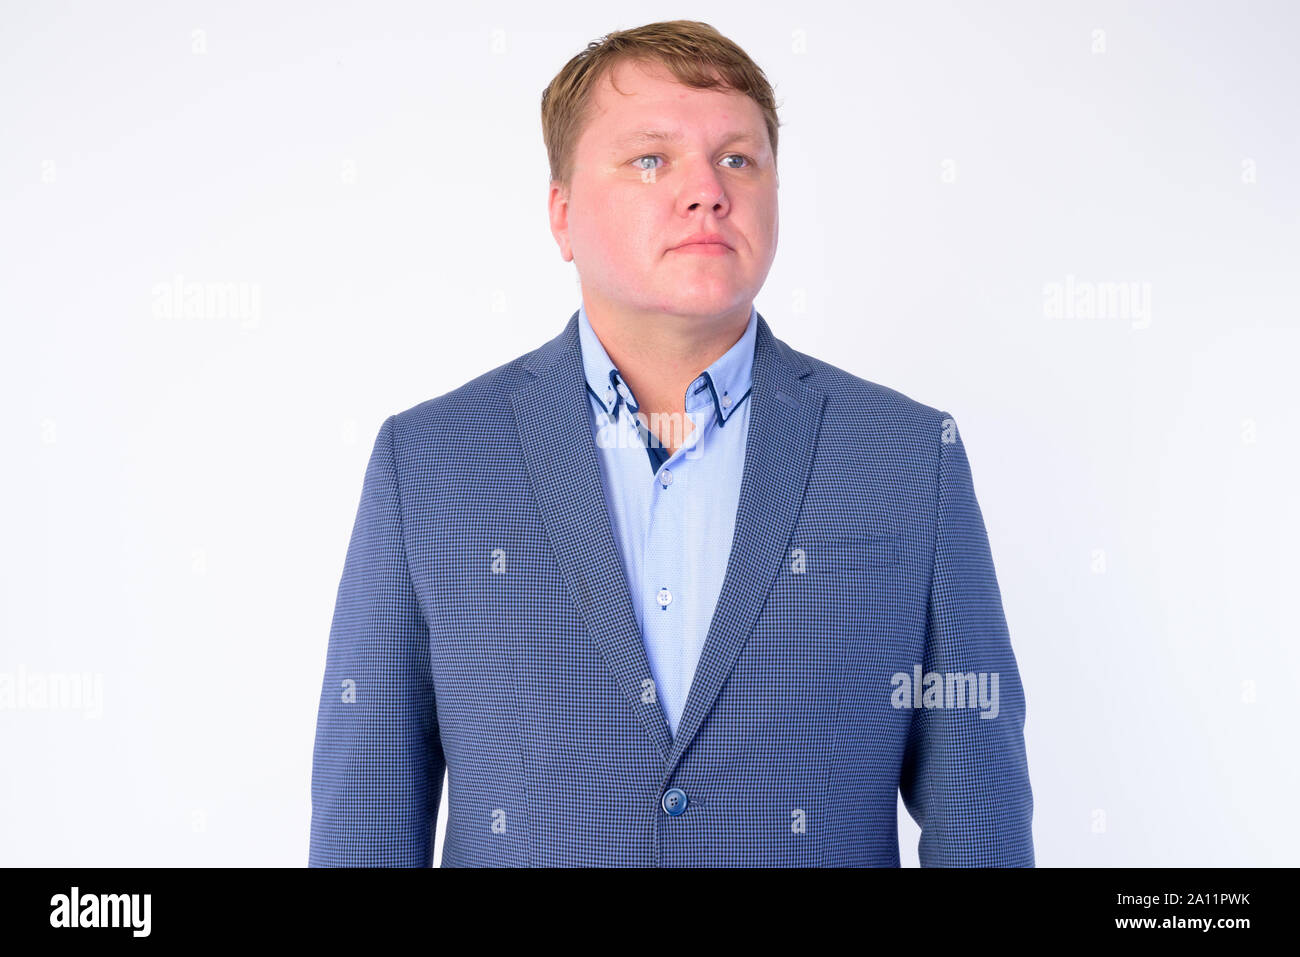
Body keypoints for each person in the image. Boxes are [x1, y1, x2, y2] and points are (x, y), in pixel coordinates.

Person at [309, 19, 1034, 867]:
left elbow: (979, 818)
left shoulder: (910, 456)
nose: (707, 191)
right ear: (563, 214)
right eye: (651, 160)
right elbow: (366, 826)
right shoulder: (429, 461)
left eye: (738, 159)